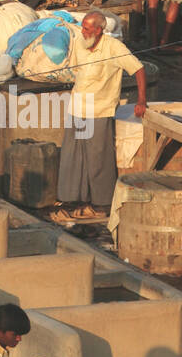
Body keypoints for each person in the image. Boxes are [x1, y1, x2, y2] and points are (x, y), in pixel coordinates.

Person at [54, 13, 146, 222]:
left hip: (99, 110)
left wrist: (141, 101)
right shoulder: (81, 42)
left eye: (87, 29)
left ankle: (102, 204)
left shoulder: (114, 48)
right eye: (83, 27)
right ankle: (73, 200)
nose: (83, 31)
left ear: (99, 30)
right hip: (77, 107)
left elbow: (139, 69)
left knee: (98, 158)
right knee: (73, 157)